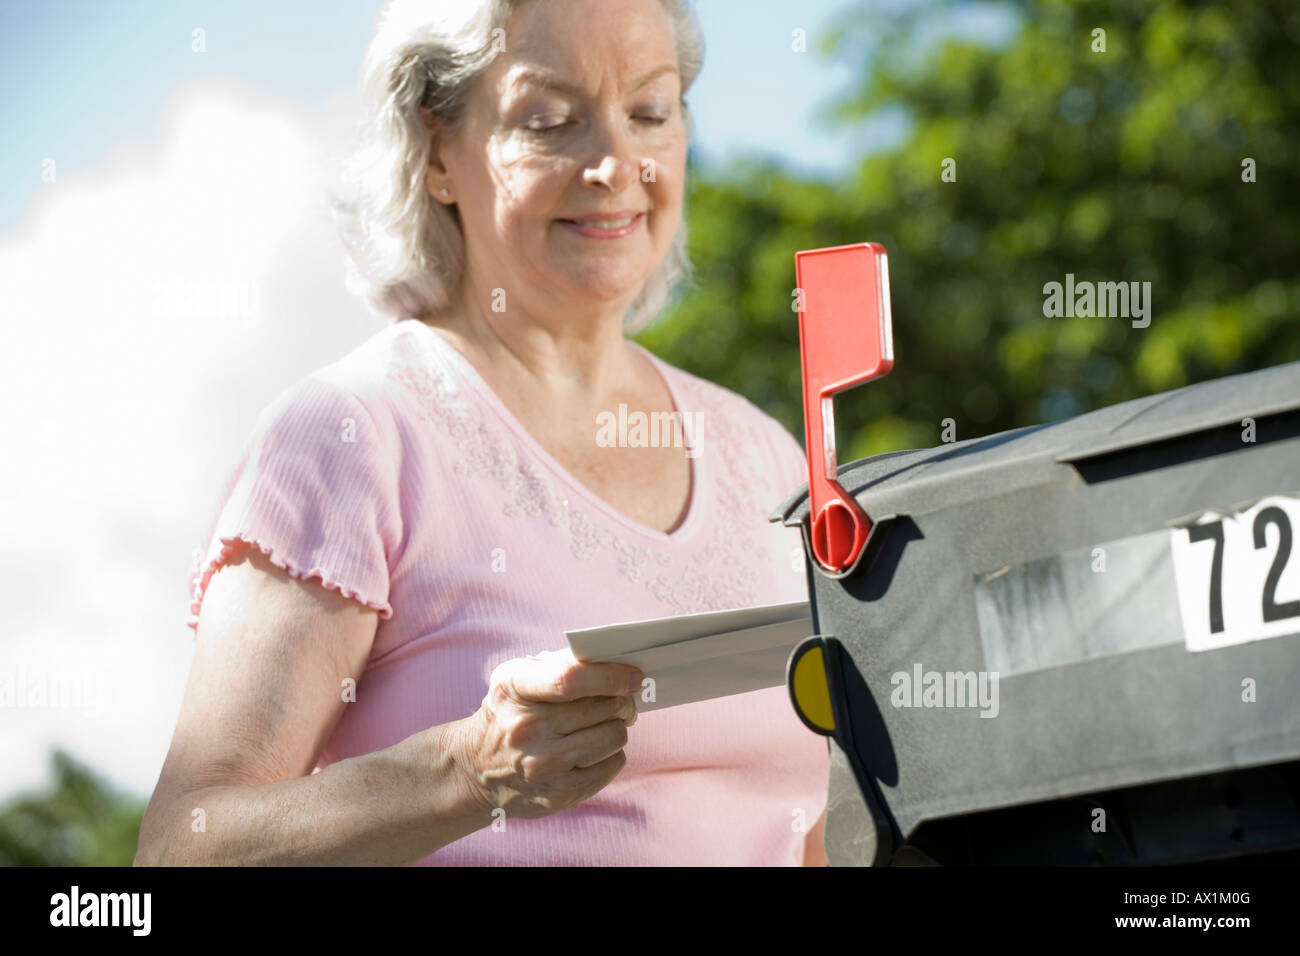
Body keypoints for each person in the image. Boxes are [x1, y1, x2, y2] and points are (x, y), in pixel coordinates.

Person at [135, 0, 829, 866]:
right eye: (549, 122)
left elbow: (805, 830)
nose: (617, 164)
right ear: (436, 155)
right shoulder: (350, 437)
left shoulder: (763, 454)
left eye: (650, 113)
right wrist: (465, 772)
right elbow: (181, 851)